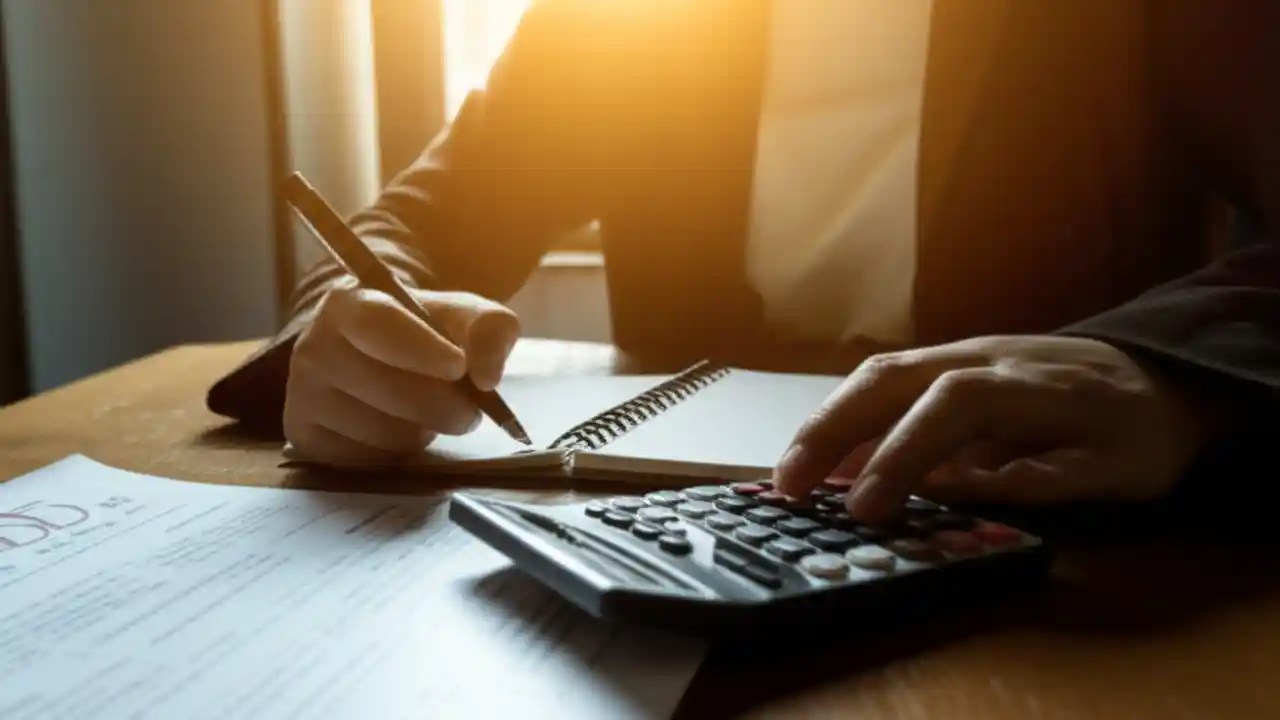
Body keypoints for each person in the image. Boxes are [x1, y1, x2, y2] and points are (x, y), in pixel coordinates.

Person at [208, 0, 1278, 524]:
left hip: (1044, 559)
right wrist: (347, 323)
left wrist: (1161, 371)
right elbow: (418, 220)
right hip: (670, 549)